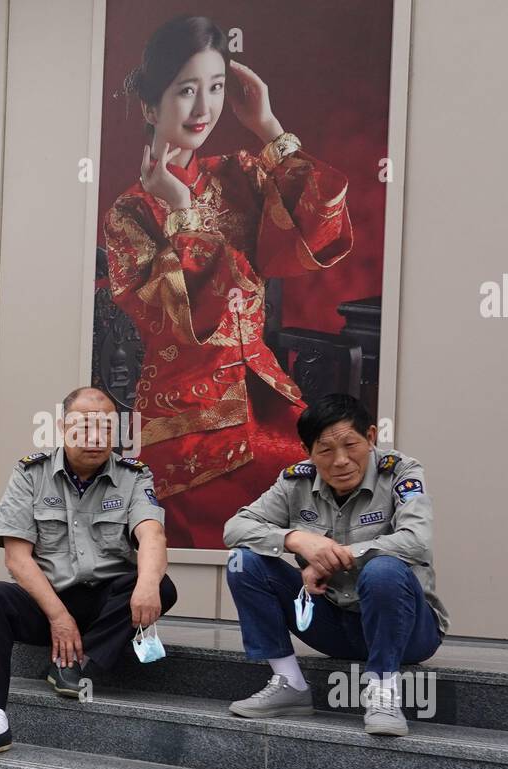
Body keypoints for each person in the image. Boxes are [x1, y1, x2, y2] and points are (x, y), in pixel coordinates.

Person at [104, 14, 353, 550]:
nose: (204, 108)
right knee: (282, 480)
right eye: (186, 90)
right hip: (183, 411)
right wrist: (182, 209)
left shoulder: (241, 171)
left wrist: (268, 128)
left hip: (265, 391)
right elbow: (190, 322)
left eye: (215, 88)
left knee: (329, 474)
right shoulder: (130, 213)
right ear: (150, 105)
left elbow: (320, 229)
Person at [0, 387, 177, 760]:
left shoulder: (134, 476)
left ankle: (76, 662)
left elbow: (151, 533)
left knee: (161, 585)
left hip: (103, 607)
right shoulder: (31, 473)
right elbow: (17, 558)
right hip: (47, 602)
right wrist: (58, 616)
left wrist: (146, 584)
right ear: (62, 427)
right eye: (84, 427)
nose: (95, 438)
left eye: (105, 428)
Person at [223, 393, 448, 736]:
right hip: (332, 624)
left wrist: (331, 558)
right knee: (243, 561)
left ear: (371, 437)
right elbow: (234, 528)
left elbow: (416, 540)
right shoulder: (295, 482)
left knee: (383, 569)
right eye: (325, 450)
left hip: (409, 632)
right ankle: (289, 683)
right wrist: (297, 541)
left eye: (351, 445)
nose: (340, 461)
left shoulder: (401, 471)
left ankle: (384, 693)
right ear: (308, 452)